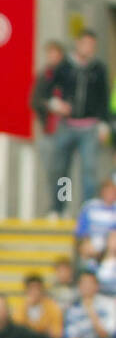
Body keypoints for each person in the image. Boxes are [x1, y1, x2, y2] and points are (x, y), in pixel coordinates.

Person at [50, 31, 112, 215]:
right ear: (78, 44)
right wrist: (56, 103)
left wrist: (104, 123)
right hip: (67, 124)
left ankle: (87, 208)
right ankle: (61, 207)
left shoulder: (98, 69)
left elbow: (103, 98)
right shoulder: (65, 67)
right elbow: (50, 89)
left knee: (89, 169)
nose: (88, 49)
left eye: (92, 45)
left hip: (89, 126)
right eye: (85, 44)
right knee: (62, 168)